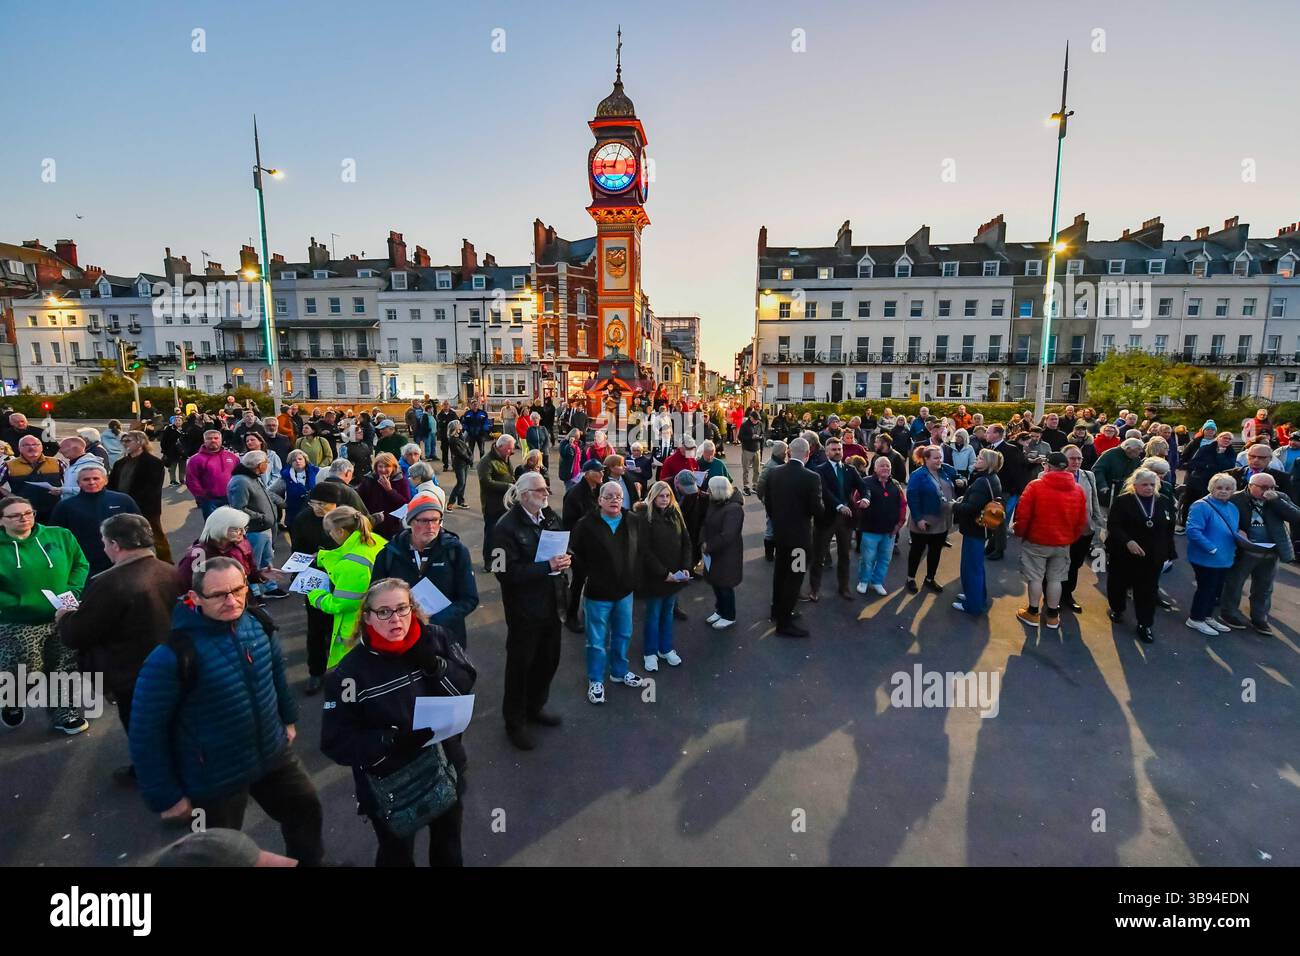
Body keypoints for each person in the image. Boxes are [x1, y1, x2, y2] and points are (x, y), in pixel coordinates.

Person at [129, 557, 324, 865]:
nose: (232, 600)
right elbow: (145, 730)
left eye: (238, 589)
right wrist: (165, 795)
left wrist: (288, 719)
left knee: (306, 808)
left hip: (271, 753)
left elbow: (276, 677)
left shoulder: (259, 623)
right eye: (219, 595)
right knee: (219, 856)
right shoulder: (171, 656)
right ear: (194, 599)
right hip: (214, 776)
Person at [320, 578, 474, 866]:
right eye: (384, 612)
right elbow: (335, 742)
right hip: (391, 785)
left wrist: (435, 667)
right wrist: (389, 741)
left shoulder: (436, 637)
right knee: (396, 855)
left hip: (447, 766)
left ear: (413, 609)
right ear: (366, 617)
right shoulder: (346, 675)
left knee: (449, 846)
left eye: (403, 609)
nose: (396, 619)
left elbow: (466, 682)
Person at [58, 513, 181, 779]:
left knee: (141, 728)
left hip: (130, 673)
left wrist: (65, 617)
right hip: (172, 664)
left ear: (114, 544)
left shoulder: (108, 583)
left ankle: (151, 773)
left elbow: (78, 634)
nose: (103, 547)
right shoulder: (169, 570)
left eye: (104, 541)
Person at [0, 495, 90, 734]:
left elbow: (80, 564)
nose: (24, 519)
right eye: (15, 515)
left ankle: (65, 714)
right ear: (2, 521)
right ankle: (10, 701)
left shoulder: (60, 535)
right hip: (18, 622)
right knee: (25, 669)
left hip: (61, 616)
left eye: (28, 513)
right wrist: (17, 603)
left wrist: (73, 590)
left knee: (63, 665)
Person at [493, 473, 568, 750]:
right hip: (524, 612)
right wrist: (546, 567)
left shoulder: (548, 516)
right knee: (520, 668)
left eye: (546, 488)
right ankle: (515, 722)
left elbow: (560, 540)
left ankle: (535, 707)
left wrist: (564, 556)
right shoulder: (505, 528)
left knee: (548, 661)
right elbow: (504, 572)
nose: (546, 492)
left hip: (553, 604)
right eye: (540, 489)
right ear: (524, 494)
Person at [570, 480, 646, 704]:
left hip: (625, 592)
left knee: (623, 634)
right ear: (600, 500)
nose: (615, 500)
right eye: (609, 496)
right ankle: (596, 680)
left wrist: (635, 578)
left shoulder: (632, 520)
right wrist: (590, 574)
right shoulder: (586, 524)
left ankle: (619, 672)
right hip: (598, 593)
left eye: (619, 497)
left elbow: (640, 550)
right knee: (596, 640)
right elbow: (575, 554)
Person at [372, 495, 479, 647]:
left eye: (436, 520)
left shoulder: (455, 551)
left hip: (444, 638)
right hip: (402, 638)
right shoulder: (389, 554)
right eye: (424, 520)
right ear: (410, 522)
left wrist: (433, 620)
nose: (431, 526)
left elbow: (469, 599)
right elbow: (374, 596)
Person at [1012, 451, 1088, 630]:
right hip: (1062, 542)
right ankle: (1053, 615)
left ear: (1048, 465)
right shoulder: (1077, 489)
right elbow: (1081, 520)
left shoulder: (1036, 486)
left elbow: (1023, 515)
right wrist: (1072, 537)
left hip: (1037, 540)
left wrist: (1020, 532)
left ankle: (1032, 612)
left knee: (1035, 577)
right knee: (1056, 579)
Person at [1217, 471, 1300, 636]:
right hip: (1245, 551)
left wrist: (1276, 500)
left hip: (1271, 552)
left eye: (1272, 487)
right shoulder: (1236, 498)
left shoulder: (1278, 497)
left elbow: (1296, 516)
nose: (1268, 491)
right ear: (1250, 485)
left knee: (1264, 587)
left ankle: (1259, 617)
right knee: (1235, 583)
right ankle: (1229, 613)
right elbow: (1222, 519)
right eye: (1263, 487)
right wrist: (1237, 531)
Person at [309, 506, 388, 668]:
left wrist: (315, 595)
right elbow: (346, 552)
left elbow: (341, 603)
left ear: (340, 532)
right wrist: (323, 557)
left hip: (355, 632)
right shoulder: (373, 539)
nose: (329, 535)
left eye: (330, 531)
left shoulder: (351, 565)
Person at [1104, 469, 1177, 644]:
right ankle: (1117, 608)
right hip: (1124, 553)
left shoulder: (1163, 502)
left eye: (1152, 484)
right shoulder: (1123, 501)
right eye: (1144, 484)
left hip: (1152, 556)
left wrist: (1169, 552)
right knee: (1118, 583)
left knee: (1147, 591)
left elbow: (1169, 529)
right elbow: (1113, 525)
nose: (1149, 488)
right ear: (1134, 485)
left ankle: (1145, 624)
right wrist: (1127, 541)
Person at [765, 437, 824, 638]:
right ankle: (784, 621)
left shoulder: (774, 473)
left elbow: (768, 503)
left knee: (780, 574)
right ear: (807, 455)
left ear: (788, 452)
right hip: (800, 540)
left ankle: (777, 610)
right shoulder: (812, 477)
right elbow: (817, 509)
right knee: (795, 578)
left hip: (780, 535)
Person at [633, 480, 692, 670]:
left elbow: (686, 541)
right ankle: (650, 652)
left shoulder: (676, 513)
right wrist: (663, 573)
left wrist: (685, 567)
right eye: (661, 496)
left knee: (667, 614)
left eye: (667, 496)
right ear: (653, 496)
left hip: (675, 576)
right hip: (655, 577)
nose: (665, 499)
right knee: (653, 615)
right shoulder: (644, 517)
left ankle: (666, 648)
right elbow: (644, 550)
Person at [50, 461, 140, 577]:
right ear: (78, 483)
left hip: (121, 561)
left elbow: (139, 529)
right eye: (86, 479)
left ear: (105, 480)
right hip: (84, 565)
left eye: (96, 478)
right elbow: (55, 537)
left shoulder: (123, 500)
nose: (91, 482)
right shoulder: (65, 506)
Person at [811, 437, 864, 601]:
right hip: (826, 518)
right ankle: (814, 590)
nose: (837, 452)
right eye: (833, 449)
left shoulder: (850, 470)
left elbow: (863, 487)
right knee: (818, 556)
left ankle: (844, 587)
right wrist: (839, 505)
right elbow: (825, 492)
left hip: (846, 520)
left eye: (839, 449)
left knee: (845, 556)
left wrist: (866, 498)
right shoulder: (819, 470)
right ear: (826, 452)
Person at [951, 448, 1002, 615]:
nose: (977, 459)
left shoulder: (982, 481)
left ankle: (972, 605)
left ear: (988, 462)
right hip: (983, 529)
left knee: (971, 567)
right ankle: (977, 597)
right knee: (976, 567)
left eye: (980, 458)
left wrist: (954, 505)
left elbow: (972, 508)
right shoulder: (992, 478)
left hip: (975, 529)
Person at [106, 429, 170, 562]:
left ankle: (166, 562)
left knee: (156, 535)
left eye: (128, 441)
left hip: (147, 507)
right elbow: (111, 485)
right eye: (123, 441)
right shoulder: (120, 463)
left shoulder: (154, 463)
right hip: (121, 506)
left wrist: (135, 504)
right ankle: (129, 561)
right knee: (124, 536)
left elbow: (152, 489)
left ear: (140, 442)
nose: (124, 444)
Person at [904, 445, 955, 595]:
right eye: (936, 458)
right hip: (924, 520)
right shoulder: (918, 475)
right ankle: (910, 578)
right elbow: (912, 497)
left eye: (940, 457)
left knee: (935, 551)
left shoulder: (944, 471)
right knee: (917, 551)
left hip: (942, 520)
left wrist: (943, 465)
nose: (939, 460)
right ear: (925, 459)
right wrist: (919, 518)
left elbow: (955, 473)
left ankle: (930, 578)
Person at [562, 460, 607, 631]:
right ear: (588, 473)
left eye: (603, 471)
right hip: (579, 547)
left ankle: (588, 611)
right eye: (599, 471)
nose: (602, 474)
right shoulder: (575, 494)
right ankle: (571, 616)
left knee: (593, 580)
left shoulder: (596, 490)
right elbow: (569, 523)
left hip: (595, 544)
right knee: (578, 581)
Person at [854, 453, 906, 596]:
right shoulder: (865, 482)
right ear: (875, 468)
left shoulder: (895, 485)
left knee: (884, 559)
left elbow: (902, 505)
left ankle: (877, 581)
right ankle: (864, 581)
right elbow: (856, 501)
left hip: (889, 531)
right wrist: (860, 509)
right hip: (870, 529)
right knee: (868, 558)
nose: (885, 468)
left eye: (887, 466)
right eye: (881, 465)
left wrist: (900, 523)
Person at [701, 475, 745, 630]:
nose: (708, 491)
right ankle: (720, 610)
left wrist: (708, 546)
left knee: (725, 586)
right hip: (714, 551)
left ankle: (729, 615)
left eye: (710, 489)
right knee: (716, 583)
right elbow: (706, 524)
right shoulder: (716, 502)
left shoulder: (734, 509)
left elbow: (728, 535)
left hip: (727, 554)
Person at [0, 434, 65, 523]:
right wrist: (11, 496)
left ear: (41, 447)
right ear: (20, 449)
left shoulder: (57, 462)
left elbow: (71, 483)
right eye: (26, 445)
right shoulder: (9, 465)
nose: (31, 447)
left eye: (35, 444)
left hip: (54, 509)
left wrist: (61, 490)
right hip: (25, 512)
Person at [476, 434, 516, 571]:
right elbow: (486, 482)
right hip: (492, 505)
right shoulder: (486, 461)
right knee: (492, 534)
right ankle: (489, 562)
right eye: (509, 449)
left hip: (506, 503)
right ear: (500, 446)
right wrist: (508, 486)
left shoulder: (505, 457)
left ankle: (500, 562)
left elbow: (510, 474)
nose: (512, 451)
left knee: (503, 534)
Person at [356, 452, 414, 541]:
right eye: (380, 466)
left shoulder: (401, 480)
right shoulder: (369, 480)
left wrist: (390, 490)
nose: (383, 470)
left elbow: (405, 503)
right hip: (373, 523)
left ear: (393, 467)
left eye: (387, 466)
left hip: (393, 525)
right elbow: (359, 500)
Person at [187, 429, 240, 518]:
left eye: (216, 438)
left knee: (232, 527)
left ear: (221, 440)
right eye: (209, 438)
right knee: (213, 529)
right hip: (210, 501)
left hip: (231, 498)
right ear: (204, 441)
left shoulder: (232, 457)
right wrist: (202, 496)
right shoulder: (195, 460)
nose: (213, 440)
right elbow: (192, 480)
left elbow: (239, 475)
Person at [1091, 436, 1145, 505]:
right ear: (1128, 448)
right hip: (1108, 491)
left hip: (1125, 493)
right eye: (1138, 449)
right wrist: (1102, 485)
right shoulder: (1110, 454)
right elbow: (1097, 469)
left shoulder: (1136, 459)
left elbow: (1139, 473)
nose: (1141, 451)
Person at [279, 449, 319, 525]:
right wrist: (282, 503)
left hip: (313, 513)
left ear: (305, 460)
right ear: (290, 463)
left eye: (300, 459)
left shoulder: (316, 472)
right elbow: (270, 492)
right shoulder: (285, 476)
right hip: (293, 515)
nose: (297, 461)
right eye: (294, 460)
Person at [437, 401, 458, 471]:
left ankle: (454, 465)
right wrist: (448, 423)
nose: (446, 406)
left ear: (449, 405)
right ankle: (445, 465)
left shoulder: (453, 413)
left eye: (447, 404)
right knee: (444, 452)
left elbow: (456, 423)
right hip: (444, 436)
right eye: (444, 404)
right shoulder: (439, 415)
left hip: (452, 436)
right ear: (442, 406)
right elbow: (440, 425)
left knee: (454, 452)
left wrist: (446, 422)